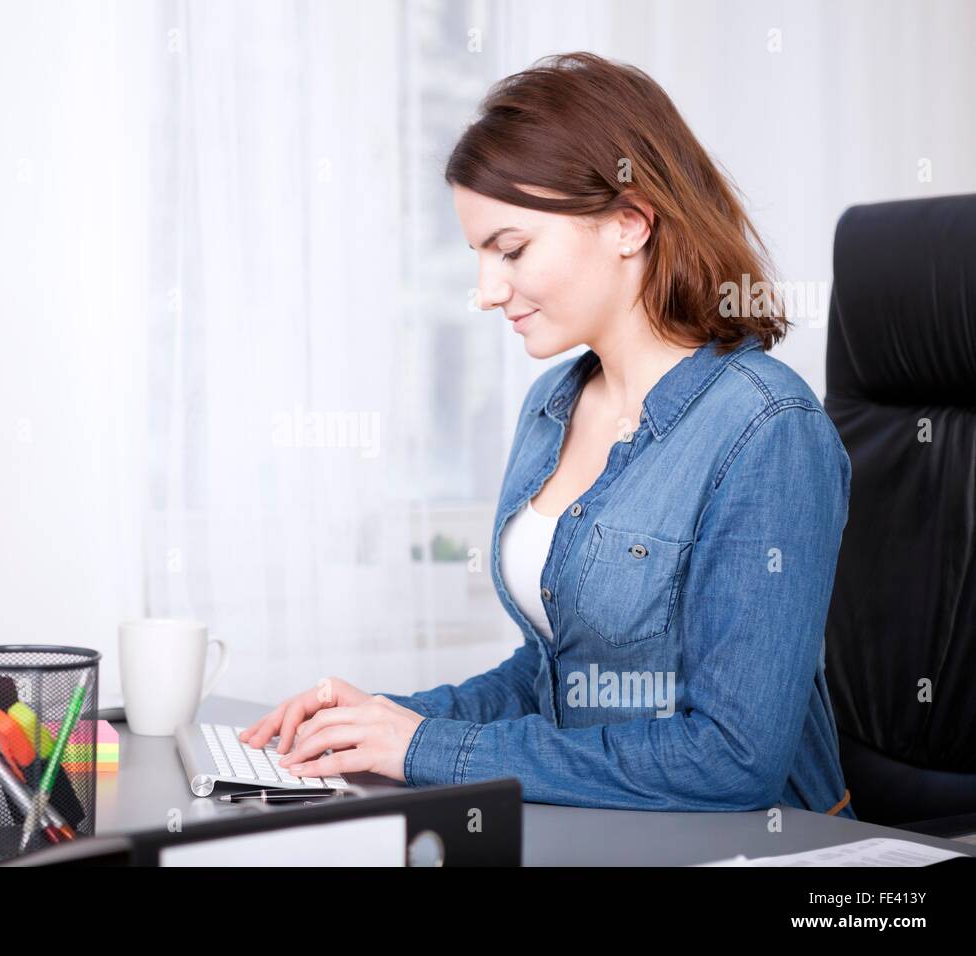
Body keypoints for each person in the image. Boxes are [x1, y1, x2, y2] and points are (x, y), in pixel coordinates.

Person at [240, 51, 854, 816]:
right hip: (605, 833)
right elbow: (552, 675)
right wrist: (381, 722)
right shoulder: (550, 408)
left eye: (512, 249)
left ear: (629, 224)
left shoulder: (767, 429)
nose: (487, 291)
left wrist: (424, 750)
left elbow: (730, 760)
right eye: (478, 255)